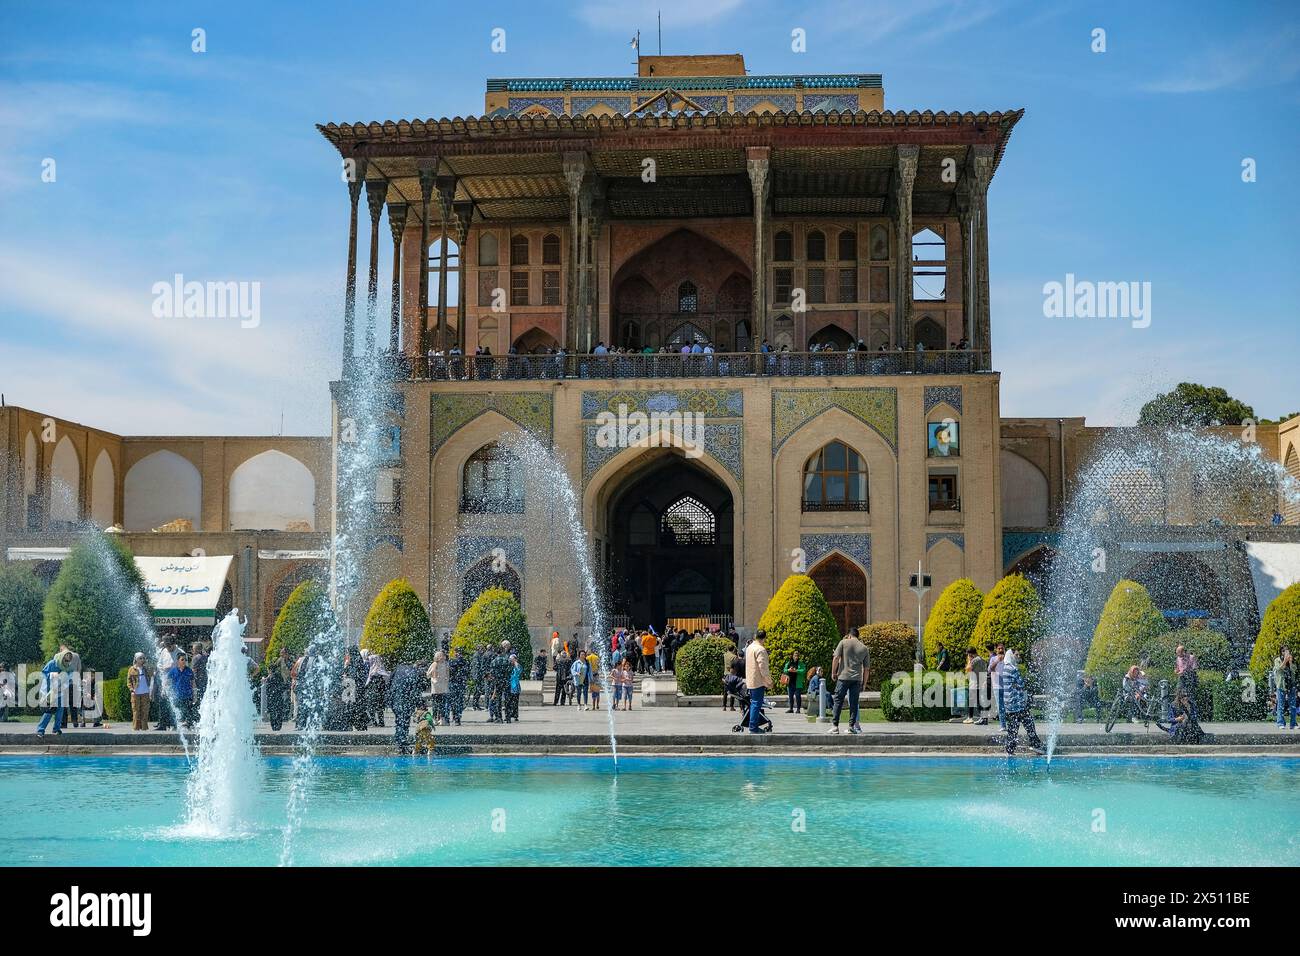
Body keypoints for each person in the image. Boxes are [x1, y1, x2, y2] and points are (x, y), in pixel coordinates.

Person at [1000, 649, 1044, 755]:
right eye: (1016, 655)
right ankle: (1035, 744)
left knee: (1013, 727)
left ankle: (1010, 749)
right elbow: (1021, 684)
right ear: (1011, 656)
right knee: (1029, 723)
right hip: (1017, 704)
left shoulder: (1004, 668)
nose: (1018, 656)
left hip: (1009, 703)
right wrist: (1019, 685)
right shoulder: (1013, 669)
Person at [828, 628, 870, 734]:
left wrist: (833, 672)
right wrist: (864, 683)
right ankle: (851, 727)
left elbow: (836, 658)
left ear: (849, 635)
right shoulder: (864, 648)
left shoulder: (843, 642)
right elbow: (866, 669)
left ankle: (835, 726)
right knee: (854, 703)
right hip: (856, 679)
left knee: (838, 701)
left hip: (843, 677)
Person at [35, 650, 74, 737]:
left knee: (60, 710)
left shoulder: (67, 666)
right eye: (65, 659)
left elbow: (69, 677)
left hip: (60, 691)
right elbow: (43, 674)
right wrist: (52, 675)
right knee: (50, 710)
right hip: (49, 691)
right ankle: (40, 730)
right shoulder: (52, 663)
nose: (67, 662)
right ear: (62, 657)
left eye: (68, 660)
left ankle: (56, 729)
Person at [387, 661, 422, 753]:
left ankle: (398, 741)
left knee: (399, 720)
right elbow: (415, 690)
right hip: (406, 701)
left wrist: (389, 699)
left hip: (395, 700)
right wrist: (418, 704)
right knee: (404, 722)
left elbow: (389, 683)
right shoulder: (414, 672)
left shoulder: (398, 668)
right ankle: (402, 743)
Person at [744, 629, 773, 734]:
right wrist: (769, 681)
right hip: (758, 681)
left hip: (750, 680)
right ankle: (753, 727)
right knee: (756, 704)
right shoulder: (760, 649)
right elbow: (763, 668)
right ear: (764, 638)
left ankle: (753, 726)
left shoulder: (749, 647)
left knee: (753, 703)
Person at [964, 647, 988, 725]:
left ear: (970, 654)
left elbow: (968, 669)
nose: (968, 655)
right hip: (980, 683)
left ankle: (982, 718)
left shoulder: (974, 660)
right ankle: (972, 717)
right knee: (977, 701)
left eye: (968, 654)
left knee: (976, 702)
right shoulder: (982, 659)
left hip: (975, 684)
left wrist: (969, 660)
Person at [1273, 648, 1296, 729]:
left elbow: (1294, 670)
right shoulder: (1277, 660)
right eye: (1283, 651)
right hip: (1281, 685)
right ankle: (1280, 723)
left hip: (1291, 685)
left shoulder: (1291, 659)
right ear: (1280, 652)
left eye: (1287, 651)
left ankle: (1293, 724)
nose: (1285, 652)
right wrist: (1285, 661)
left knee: (1293, 705)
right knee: (1280, 705)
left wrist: (1290, 662)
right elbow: (1278, 669)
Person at [427, 648, 450, 726]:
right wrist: (434, 679)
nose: (443, 657)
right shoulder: (434, 664)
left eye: (443, 656)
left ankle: (442, 719)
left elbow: (448, 674)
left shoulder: (446, 664)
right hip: (436, 688)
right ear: (437, 657)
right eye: (441, 656)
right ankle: (435, 719)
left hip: (443, 687)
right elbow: (428, 675)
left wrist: (446, 679)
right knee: (435, 704)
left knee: (442, 705)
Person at [447, 646, 467, 726]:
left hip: (453, 683)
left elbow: (449, 672)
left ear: (456, 653)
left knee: (454, 701)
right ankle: (458, 717)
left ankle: (455, 717)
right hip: (461, 683)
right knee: (460, 701)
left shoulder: (452, 661)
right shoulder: (465, 661)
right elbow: (467, 672)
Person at [988, 643, 1006, 729]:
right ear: (996, 650)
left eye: (1002, 648)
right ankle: (1003, 725)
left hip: (1007, 686)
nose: (1000, 650)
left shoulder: (1007, 659)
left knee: (1008, 707)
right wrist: (997, 661)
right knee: (1000, 707)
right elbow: (990, 669)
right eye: (999, 649)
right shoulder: (993, 659)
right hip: (997, 687)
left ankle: (1012, 725)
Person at [722, 642, 739, 711]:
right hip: (732, 674)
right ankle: (731, 706)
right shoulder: (734, 656)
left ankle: (724, 706)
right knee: (732, 691)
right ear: (733, 649)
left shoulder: (725, 655)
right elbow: (735, 665)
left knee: (725, 691)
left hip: (726, 674)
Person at [506, 654, 522, 723]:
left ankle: (515, 715)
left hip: (515, 686)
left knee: (515, 702)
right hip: (509, 686)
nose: (511, 661)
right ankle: (508, 715)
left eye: (512, 659)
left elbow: (519, 672)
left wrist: (516, 664)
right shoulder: (508, 666)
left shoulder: (517, 666)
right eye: (510, 659)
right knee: (508, 702)